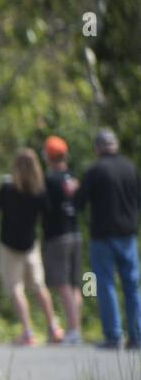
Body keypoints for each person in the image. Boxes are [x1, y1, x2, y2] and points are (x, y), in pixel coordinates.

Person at [75, 128, 140, 349]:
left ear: (98, 148)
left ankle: (113, 337)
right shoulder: (130, 167)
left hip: (102, 236)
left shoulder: (96, 170)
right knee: (132, 285)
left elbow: (79, 203)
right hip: (128, 235)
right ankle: (137, 336)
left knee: (105, 284)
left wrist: (74, 191)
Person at [0, 150, 63, 346]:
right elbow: (48, 212)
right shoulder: (39, 191)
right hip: (30, 244)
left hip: (9, 245)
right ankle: (53, 328)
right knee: (39, 286)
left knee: (16, 288)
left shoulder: (7, 187)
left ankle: (28, 332)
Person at [40, 136, 83, 344]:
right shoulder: (71, 177)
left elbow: (43, 206)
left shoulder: (51, 180)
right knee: (75, 286)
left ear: (48, 156)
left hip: (58, 236)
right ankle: (75, 329)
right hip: (75, 233)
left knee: (62, 285)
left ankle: (73, 330)